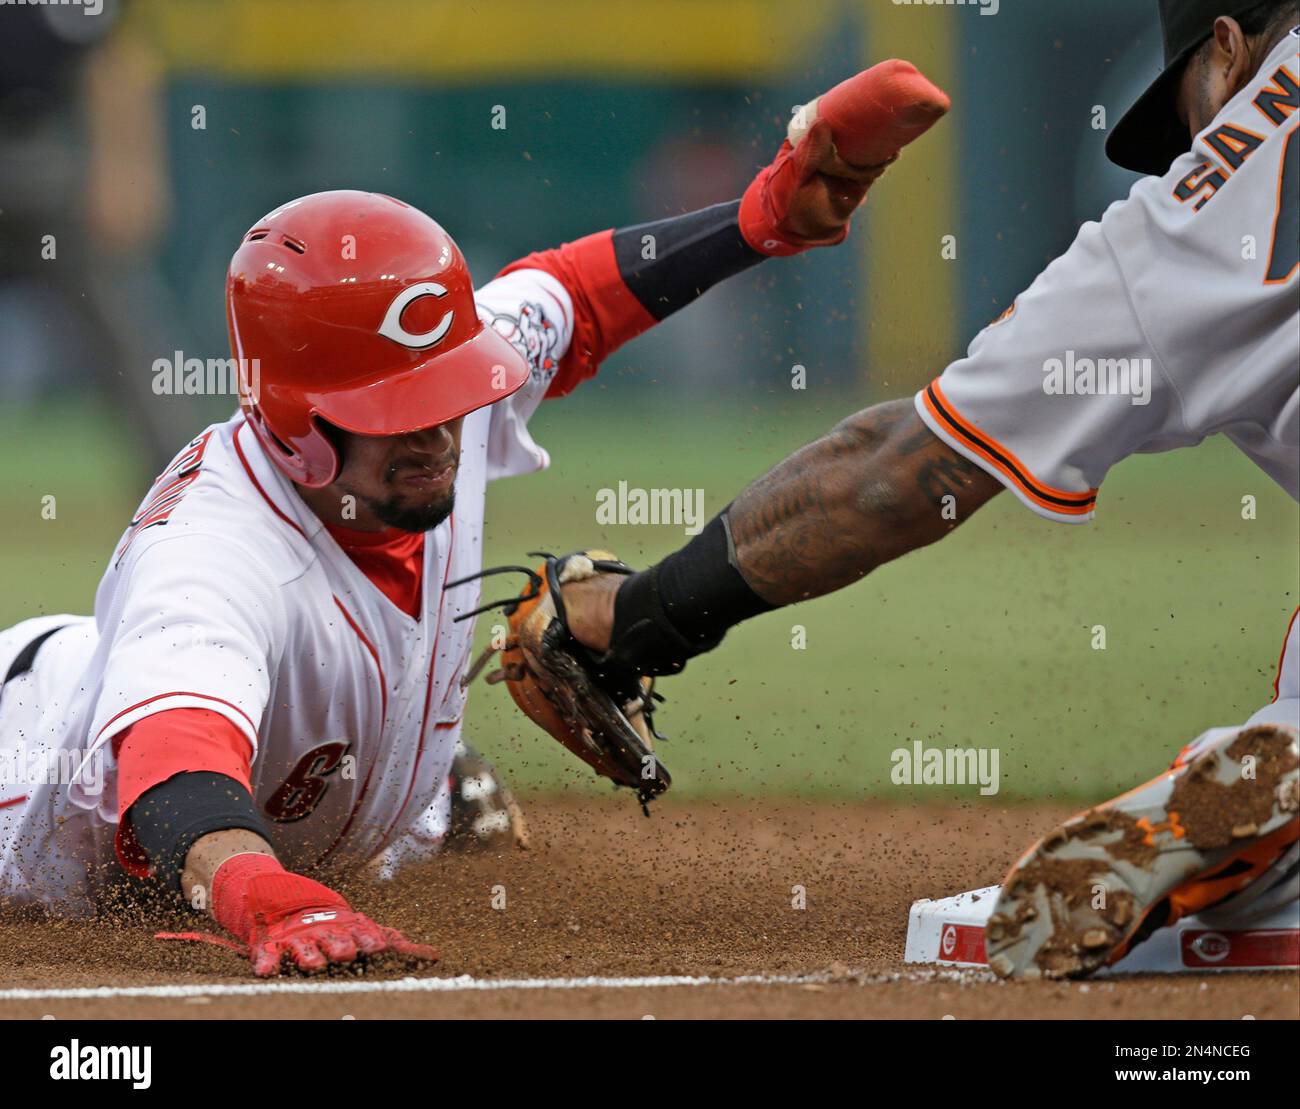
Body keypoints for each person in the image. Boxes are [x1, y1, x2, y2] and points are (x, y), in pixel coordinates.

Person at [0, 64, 943, 976]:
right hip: (33, 761)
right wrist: (266, 896)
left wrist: (762, 219)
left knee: (390, 784)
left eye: (450, 391)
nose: (439, 429)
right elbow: (172, 768)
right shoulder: (211, 557)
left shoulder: (431, 379)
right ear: (293, 417)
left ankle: (427, 781)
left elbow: (571, 296)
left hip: (286, 742)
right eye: (397, 411)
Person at [558, 0, 1300, 979]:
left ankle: (1269, 781)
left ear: (1226, 47)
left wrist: (641, 615)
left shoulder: (1199, 208)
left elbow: (892, 476)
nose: (1192, 139)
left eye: (1189, 107)